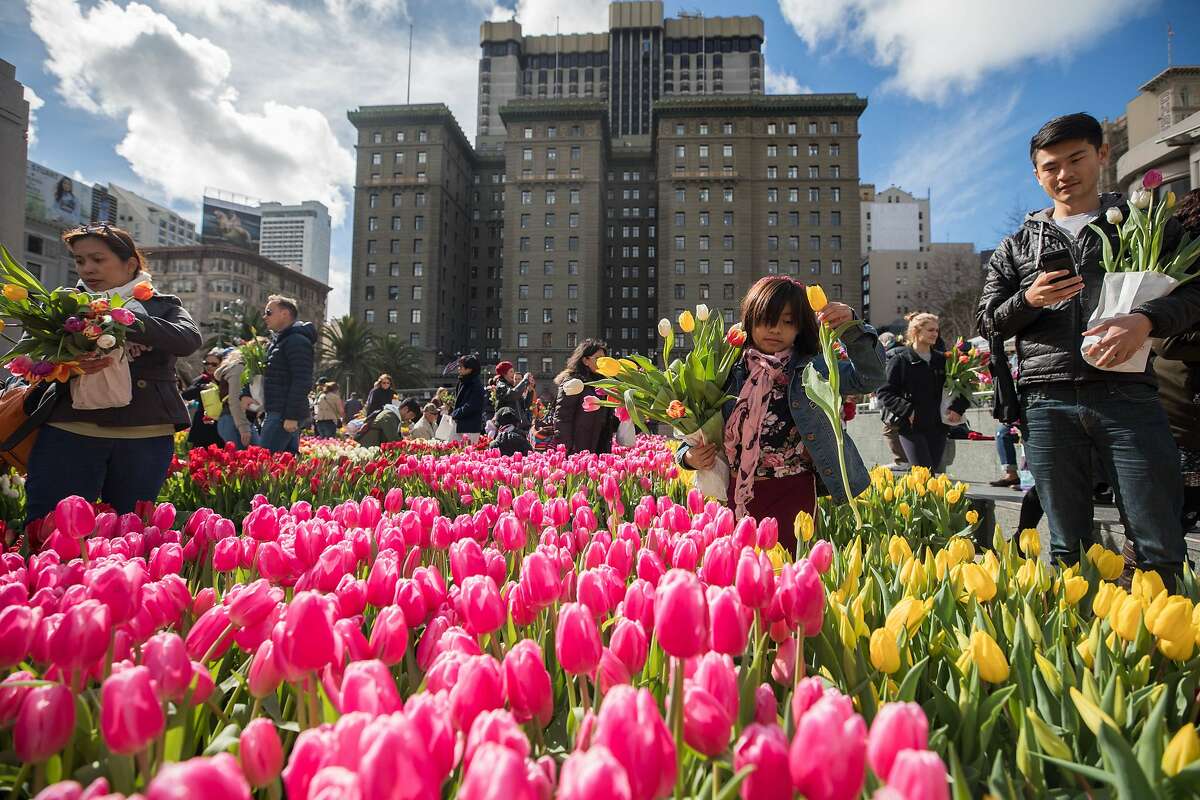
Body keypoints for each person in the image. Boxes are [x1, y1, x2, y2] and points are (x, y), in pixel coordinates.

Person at [977, 112, 1200, 589]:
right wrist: (1029, 300)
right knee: (1066, 546)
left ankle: (1162, 655)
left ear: (1101, 155)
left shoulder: (1144, 225)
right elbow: (987, 319)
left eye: (1075, 159)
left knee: (1158, 540)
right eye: (1050, 166)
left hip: (1130, 397)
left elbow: (1194, 295)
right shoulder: (1016, 246)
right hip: (1046, 401)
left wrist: (1146, 321)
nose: (1064, 174)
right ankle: (1080, 654)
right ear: (1036, 174)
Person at [678, 276, 886, 548]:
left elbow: (869, 378)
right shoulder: (724, 371)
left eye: (787, 322)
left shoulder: (814, 368)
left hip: (795, 487)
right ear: (750, 319)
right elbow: (693, 427)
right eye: (767, 319)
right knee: (741, 574)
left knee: (790, 570)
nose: (775, 329)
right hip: (738, 488)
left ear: (800, 327)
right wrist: (688, 456)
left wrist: (851, 328)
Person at [24, 223, 203, 526]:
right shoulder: (62, 308)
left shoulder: (161, 305)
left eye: (98, 259)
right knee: (49, 529)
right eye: (80, 261)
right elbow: (30, 362)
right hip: (70, 432)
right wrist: (68, 362)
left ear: (130, 263)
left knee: (127, 534)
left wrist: (120, 320)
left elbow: (188, 340)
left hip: (142, 435)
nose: (87, 269)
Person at [875, 313, 968, 470]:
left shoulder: (943, 360)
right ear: (916, 332)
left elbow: (964, 386)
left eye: (937, 330)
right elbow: (884, 392)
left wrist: (957, 409)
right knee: (923, 473)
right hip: (911, 427)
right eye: (930, 330)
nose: (935, 334)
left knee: (931, 473)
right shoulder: (900, 360)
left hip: (939, 427)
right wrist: (908, 410)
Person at [260, 295, 315, 454]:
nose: (265, 317)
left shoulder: (296, 341)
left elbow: (302, 380)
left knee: (265, 464)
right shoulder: (281, 341)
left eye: (269, 312)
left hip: (282, 415)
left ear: (284, 314)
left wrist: (291, 416)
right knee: (283, 467)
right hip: (279, 412)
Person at [553, 339, 616, 455]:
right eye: (598, 359)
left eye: (604, 359)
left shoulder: (604, 383)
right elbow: (563, 417)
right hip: (578, 446)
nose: (602, 363)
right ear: (585, 360)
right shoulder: (573, 383)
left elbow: (608, 417)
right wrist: (566, 447)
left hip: (600, 443)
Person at [876, 331, 910, 469]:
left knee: (889, 429)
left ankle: (902, 460)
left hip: (895, 398)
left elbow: (886, 380)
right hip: (907, 397)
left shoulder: (890, 355)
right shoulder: (906, 350)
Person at [180, 348, 225, 448]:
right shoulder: (202, 380)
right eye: (206, 363)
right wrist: (203, 387)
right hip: (202, 425)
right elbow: (186, 395)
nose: (209, 366)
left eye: (214, 364)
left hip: (220, 424)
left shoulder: (225, 380)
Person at [213, 347, 256, 449]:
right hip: (234, 420)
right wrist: (243, 427)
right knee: (252, 457)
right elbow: (235, 399)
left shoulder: (234, 369)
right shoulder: (239, 369)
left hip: (231, 419)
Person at [449, 354, 485, 444]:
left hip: (470, 427)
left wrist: (454, 414)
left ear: (469, 369)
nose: (459, 369)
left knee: (467, 454)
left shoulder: (476, 385)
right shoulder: (462, 381)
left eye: (461, 367)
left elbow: (472, 406)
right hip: (459, 424)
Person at [493, 361, 534, 431]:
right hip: (508, 427)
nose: (513, 374)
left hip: (518, 426)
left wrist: (530, 390)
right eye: (511, 371)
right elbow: (512, 395)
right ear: (504, 373)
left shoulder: (511, 387)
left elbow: (526, 405)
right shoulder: (501, 386)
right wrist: (525, 380)